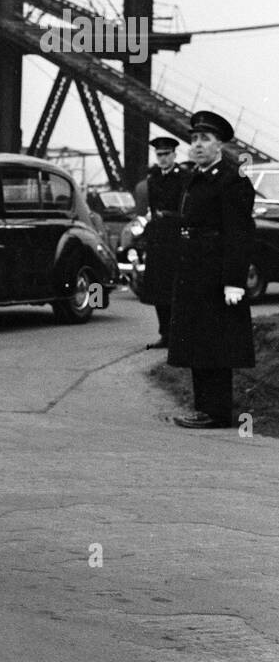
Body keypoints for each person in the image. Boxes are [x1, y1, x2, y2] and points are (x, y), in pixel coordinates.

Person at [167, 111, 256, 429]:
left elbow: (239, 233)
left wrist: (234, 281)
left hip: (217, 274)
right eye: (193, 139)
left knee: (217, 344)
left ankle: (217, 413)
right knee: (198, 341)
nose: (197, 144)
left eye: (205, 139)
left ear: (220, 145)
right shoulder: (197, 177)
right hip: (194, 272)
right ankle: (202, 407)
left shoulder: (233, 180)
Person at [133, 136, 184, 349]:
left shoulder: (184, 178)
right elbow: (151, 211)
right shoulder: (153, 180)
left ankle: (178, 336)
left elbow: (185, 209)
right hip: (158, 241)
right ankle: (165, 334)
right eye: (159, 154)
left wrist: (168, 218)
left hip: (176, 241)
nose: (162, 158)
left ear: (174, 154)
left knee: (175, 291)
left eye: (166, 154)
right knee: (158, 291)